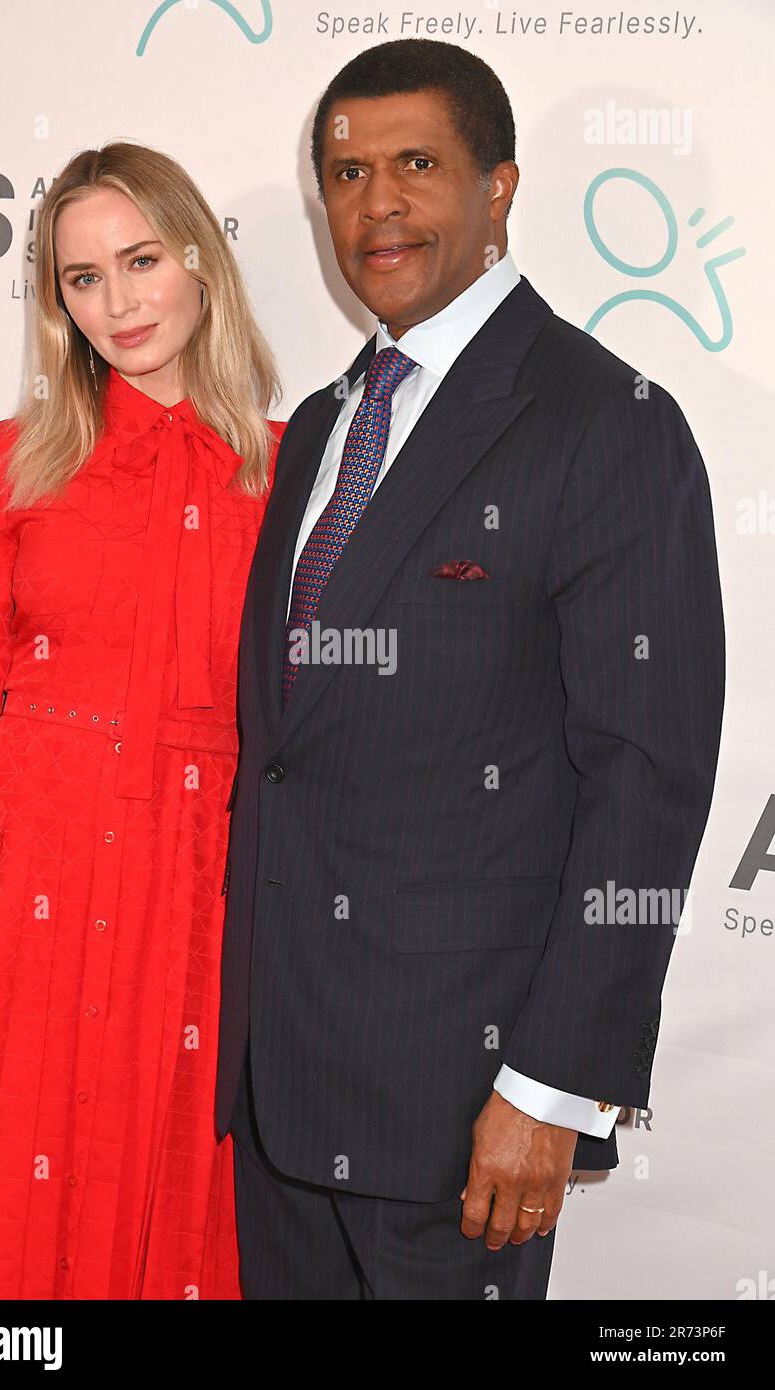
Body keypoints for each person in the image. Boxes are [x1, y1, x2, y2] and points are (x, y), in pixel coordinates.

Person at [213, 40, 726, 1299]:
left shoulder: (611, 419)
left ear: (499, 187)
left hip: (465, 1112)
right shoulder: (327, 426)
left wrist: (551, 1085)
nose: (374, 202)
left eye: (416, 165)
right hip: (280, 1101)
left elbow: (648, 780)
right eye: (344, 172)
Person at [0, 140, 284, 1299]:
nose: (116, 302)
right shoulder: (8, 463)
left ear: (200, 262)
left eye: (139, 260)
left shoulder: (293, 472)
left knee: (170, 1212)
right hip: (24, 892)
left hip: (200, 900)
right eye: (81, 278)